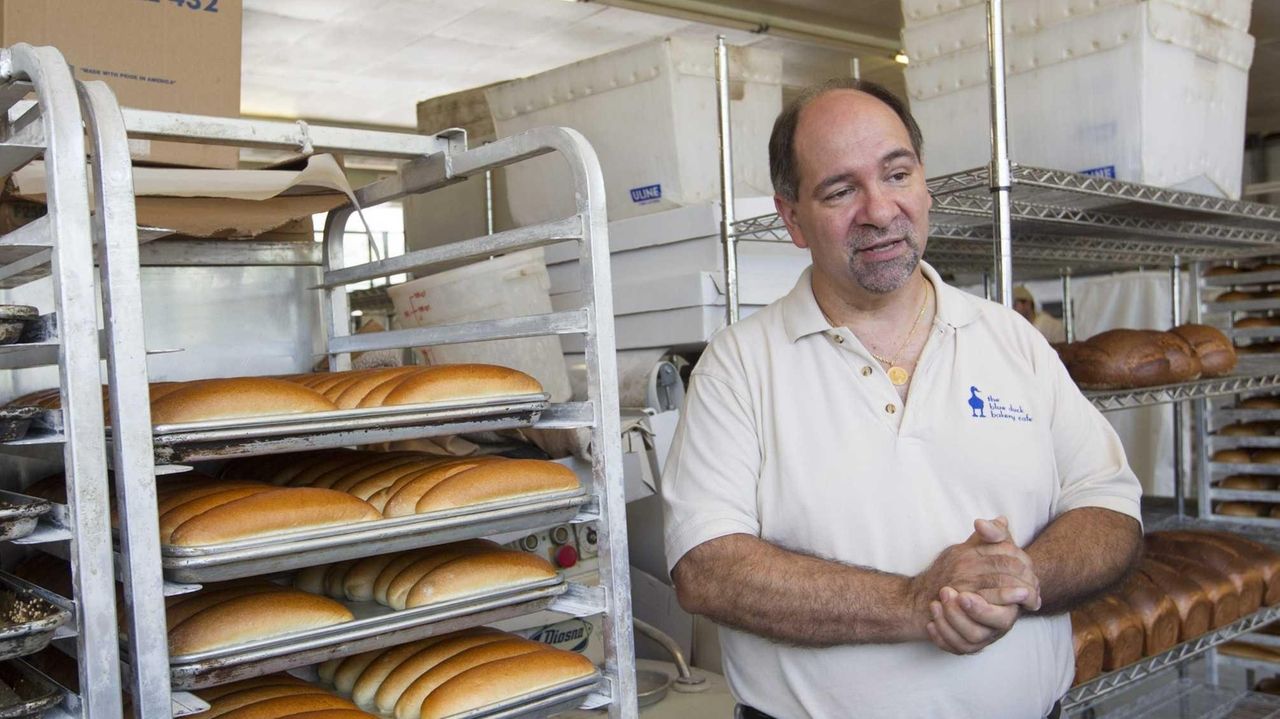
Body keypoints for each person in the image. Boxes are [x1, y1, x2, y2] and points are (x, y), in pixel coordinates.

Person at [660, 78, 1143, 719]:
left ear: (925, 184)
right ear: (793, 219)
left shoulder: (1010, 339)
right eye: (840, 190)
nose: (881, 210)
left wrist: (1024, 577)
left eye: (897, 174)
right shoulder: (739, 365)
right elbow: (708, 567)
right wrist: (918, 602)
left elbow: (1108, 505)